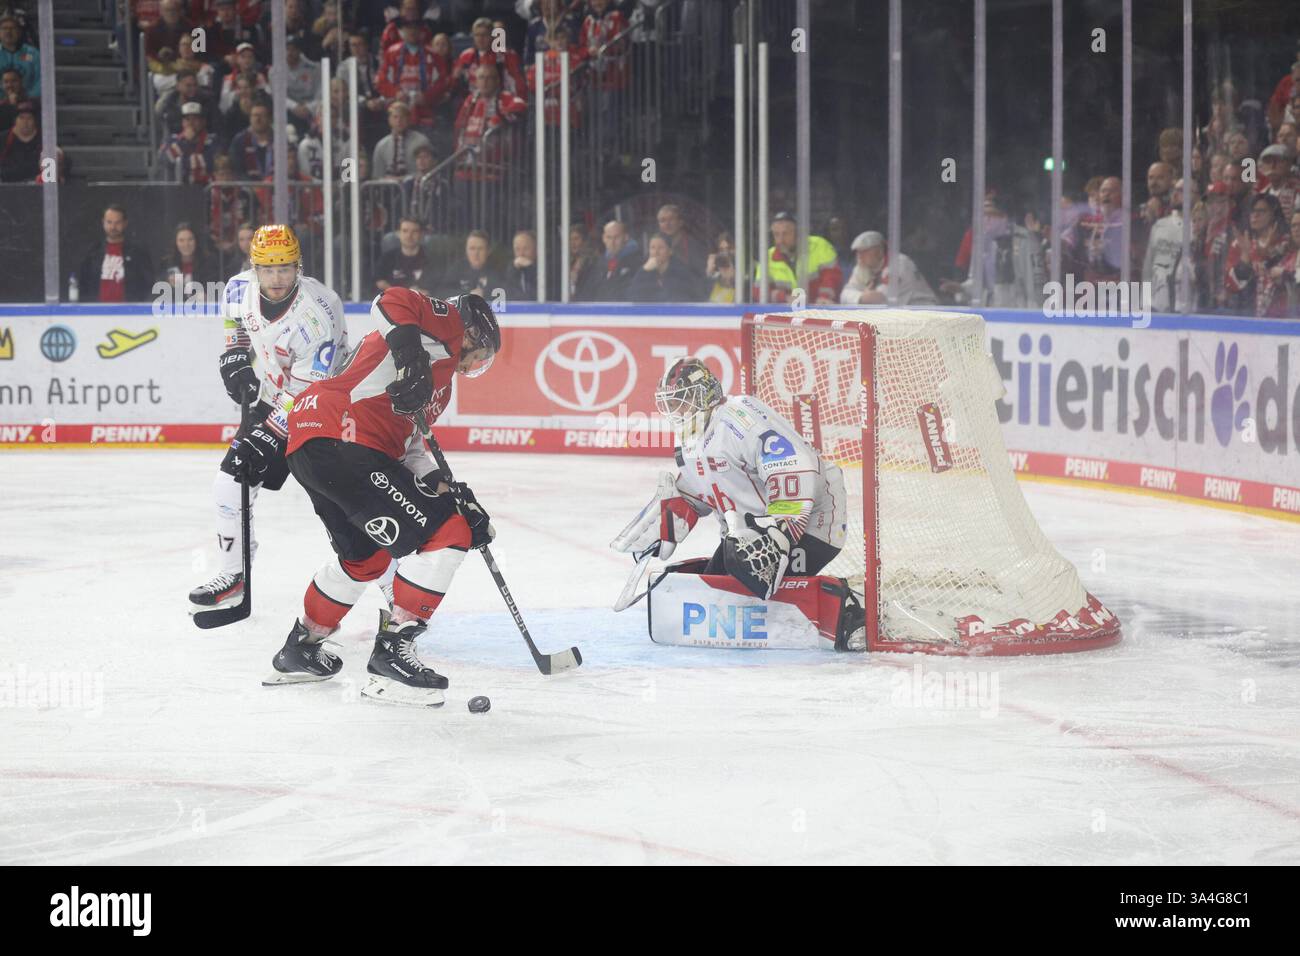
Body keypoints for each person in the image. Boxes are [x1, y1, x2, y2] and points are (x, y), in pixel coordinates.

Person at [264, 289, 501, 706]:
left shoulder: (440, 387)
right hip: (343, 437)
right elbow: (389, 300)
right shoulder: (445, 327)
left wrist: (452, 493)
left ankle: (300, 649)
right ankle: (390, 658)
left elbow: (409, 452)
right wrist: (411, 360)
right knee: (449, 532)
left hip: (314, 442)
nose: (476, 366)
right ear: (471, 335)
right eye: (480, 355)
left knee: (366, 558)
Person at [610, 357, 861, 648]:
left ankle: (854, 613)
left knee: (746, 582)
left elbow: (792, 466)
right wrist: (675, 513)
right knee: (714, 588)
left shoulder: (738, 417)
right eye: (670, 404)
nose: (676, 411)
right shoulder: (691, 437)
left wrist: (779, 533)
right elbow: (703, 488)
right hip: (751, 535)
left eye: (683, 401)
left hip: (810, 522)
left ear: (705, 393)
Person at [188, 225, 348, 611]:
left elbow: (310, 392)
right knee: (229, 484)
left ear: (299, 267)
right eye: (268, 269)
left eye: (285, 269)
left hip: (327, 410)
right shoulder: (238, 289)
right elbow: (236, 326)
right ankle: (234, 574)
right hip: (276, 396)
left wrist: (268, 435)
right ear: (254, 267)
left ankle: (394, 592)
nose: (277, 279)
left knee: (344, 508)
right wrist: (236, 356)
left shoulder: (318, 314)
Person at [1224, 192, 1293, 318]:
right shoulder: (1240, 243)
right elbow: (1231, 285)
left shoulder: (1287, 243)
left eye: (1261, 211)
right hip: (1248, 314)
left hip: (1281, 316)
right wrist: (1245, 256)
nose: (1254, 215)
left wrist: (1267, 252)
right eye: (1252, 211)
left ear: (1274, 214)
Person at [755, 211, 842, 304]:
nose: (780, 240)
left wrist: (824, 297)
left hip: (820, 309)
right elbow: (758, 290)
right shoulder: (768, 256)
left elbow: (832, 277)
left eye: (786, 233)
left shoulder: (820, 246)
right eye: (776, 234)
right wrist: (784, 297)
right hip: (786, 312)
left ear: (797, 233)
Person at [75, 205, 155, 302]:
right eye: (109, 222)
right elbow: (83, 284)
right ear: (103, 222)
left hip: (130, 312)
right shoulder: (93, 251)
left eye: (118, 223)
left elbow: (149, 284)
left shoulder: (137, 251)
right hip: (97, 312)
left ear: (125, 223)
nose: (113, 227)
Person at [839, 231, 936, 305]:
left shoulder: (899, 264)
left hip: (923, 311)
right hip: (899, 314)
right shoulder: (862, 267)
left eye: (864, 251)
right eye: (858, 252)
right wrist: (860, 297)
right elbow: (845, 294)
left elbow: (879, 299)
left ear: (879, 251)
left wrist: (859, 296)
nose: (859, 256)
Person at [576, 218, 639, 300]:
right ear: (603, 238)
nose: (612, 242)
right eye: (609, 237)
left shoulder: (637, 263)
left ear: (626, 237)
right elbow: (585, 294)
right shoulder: (595, 264)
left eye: (616, 237)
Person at [627, 233, 698, 302]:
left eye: (661, 247)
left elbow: (672, 297)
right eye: (652, 248)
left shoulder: (680, 272)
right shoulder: (645, 269)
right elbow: (632, 296)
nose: (656, 252)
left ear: (670, 251)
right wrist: (644, 270)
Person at [374, 217, 437, 294]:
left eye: (414, 231)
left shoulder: (432, 259)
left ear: (422, 234)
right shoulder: (387, 258)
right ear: (398, 233)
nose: (409, 236)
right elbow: (380, 282)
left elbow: (438, 287)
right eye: (405, 231)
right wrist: (402, 294)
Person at [157, 220, 220, 293]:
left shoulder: (209, 263)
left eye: (190, 239)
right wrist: (167, 282)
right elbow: (157, 290)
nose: (186, 244)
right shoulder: (167, 264)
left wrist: (206, 295)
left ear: (196, 241)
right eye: (181, 240)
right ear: (175, 243)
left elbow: (216, 288)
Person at [440, 229, 504, 297]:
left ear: (488, 251)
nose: (476, 253)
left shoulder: (496, 271)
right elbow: (442, 293)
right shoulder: (457, 269)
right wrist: (468, 294)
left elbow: (506, 294)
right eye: (472, 248)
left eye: (480, 248)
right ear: (466, 250)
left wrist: (485, 294)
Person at [0, 13, 39, 98]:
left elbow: (40, 80)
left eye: (12, 28)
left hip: (29, 102)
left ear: (19, 32)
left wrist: (26, 97)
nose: (8, 31)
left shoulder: (33, 53)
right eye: (4, 28)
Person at [0, 98, 38, 182]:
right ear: (15, 121)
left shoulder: (44, 139)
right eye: (21, 118)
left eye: (29, 118)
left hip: (37, 187)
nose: (25, 122)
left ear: (34, 121)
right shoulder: (3, 139)